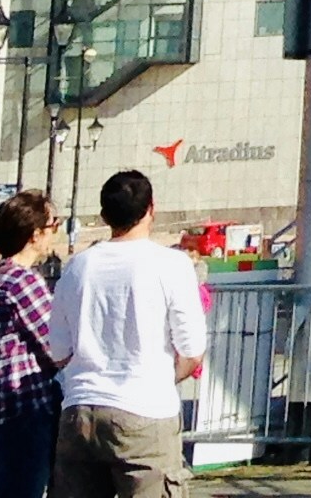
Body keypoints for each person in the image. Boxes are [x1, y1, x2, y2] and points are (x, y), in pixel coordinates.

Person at [47, 170, 202, 498]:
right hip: (145, 411)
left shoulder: (77, 267)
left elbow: (58, 351)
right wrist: (159, 377)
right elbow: (191, 351)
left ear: (104, 215)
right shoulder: (172, 265)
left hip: (81, 409)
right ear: (151, 209)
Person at [0, 191, 61, 498]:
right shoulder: (22, 282)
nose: (53, 235)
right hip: (23, 411)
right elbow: (56, 345)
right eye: (53, 225)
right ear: (35, 234)